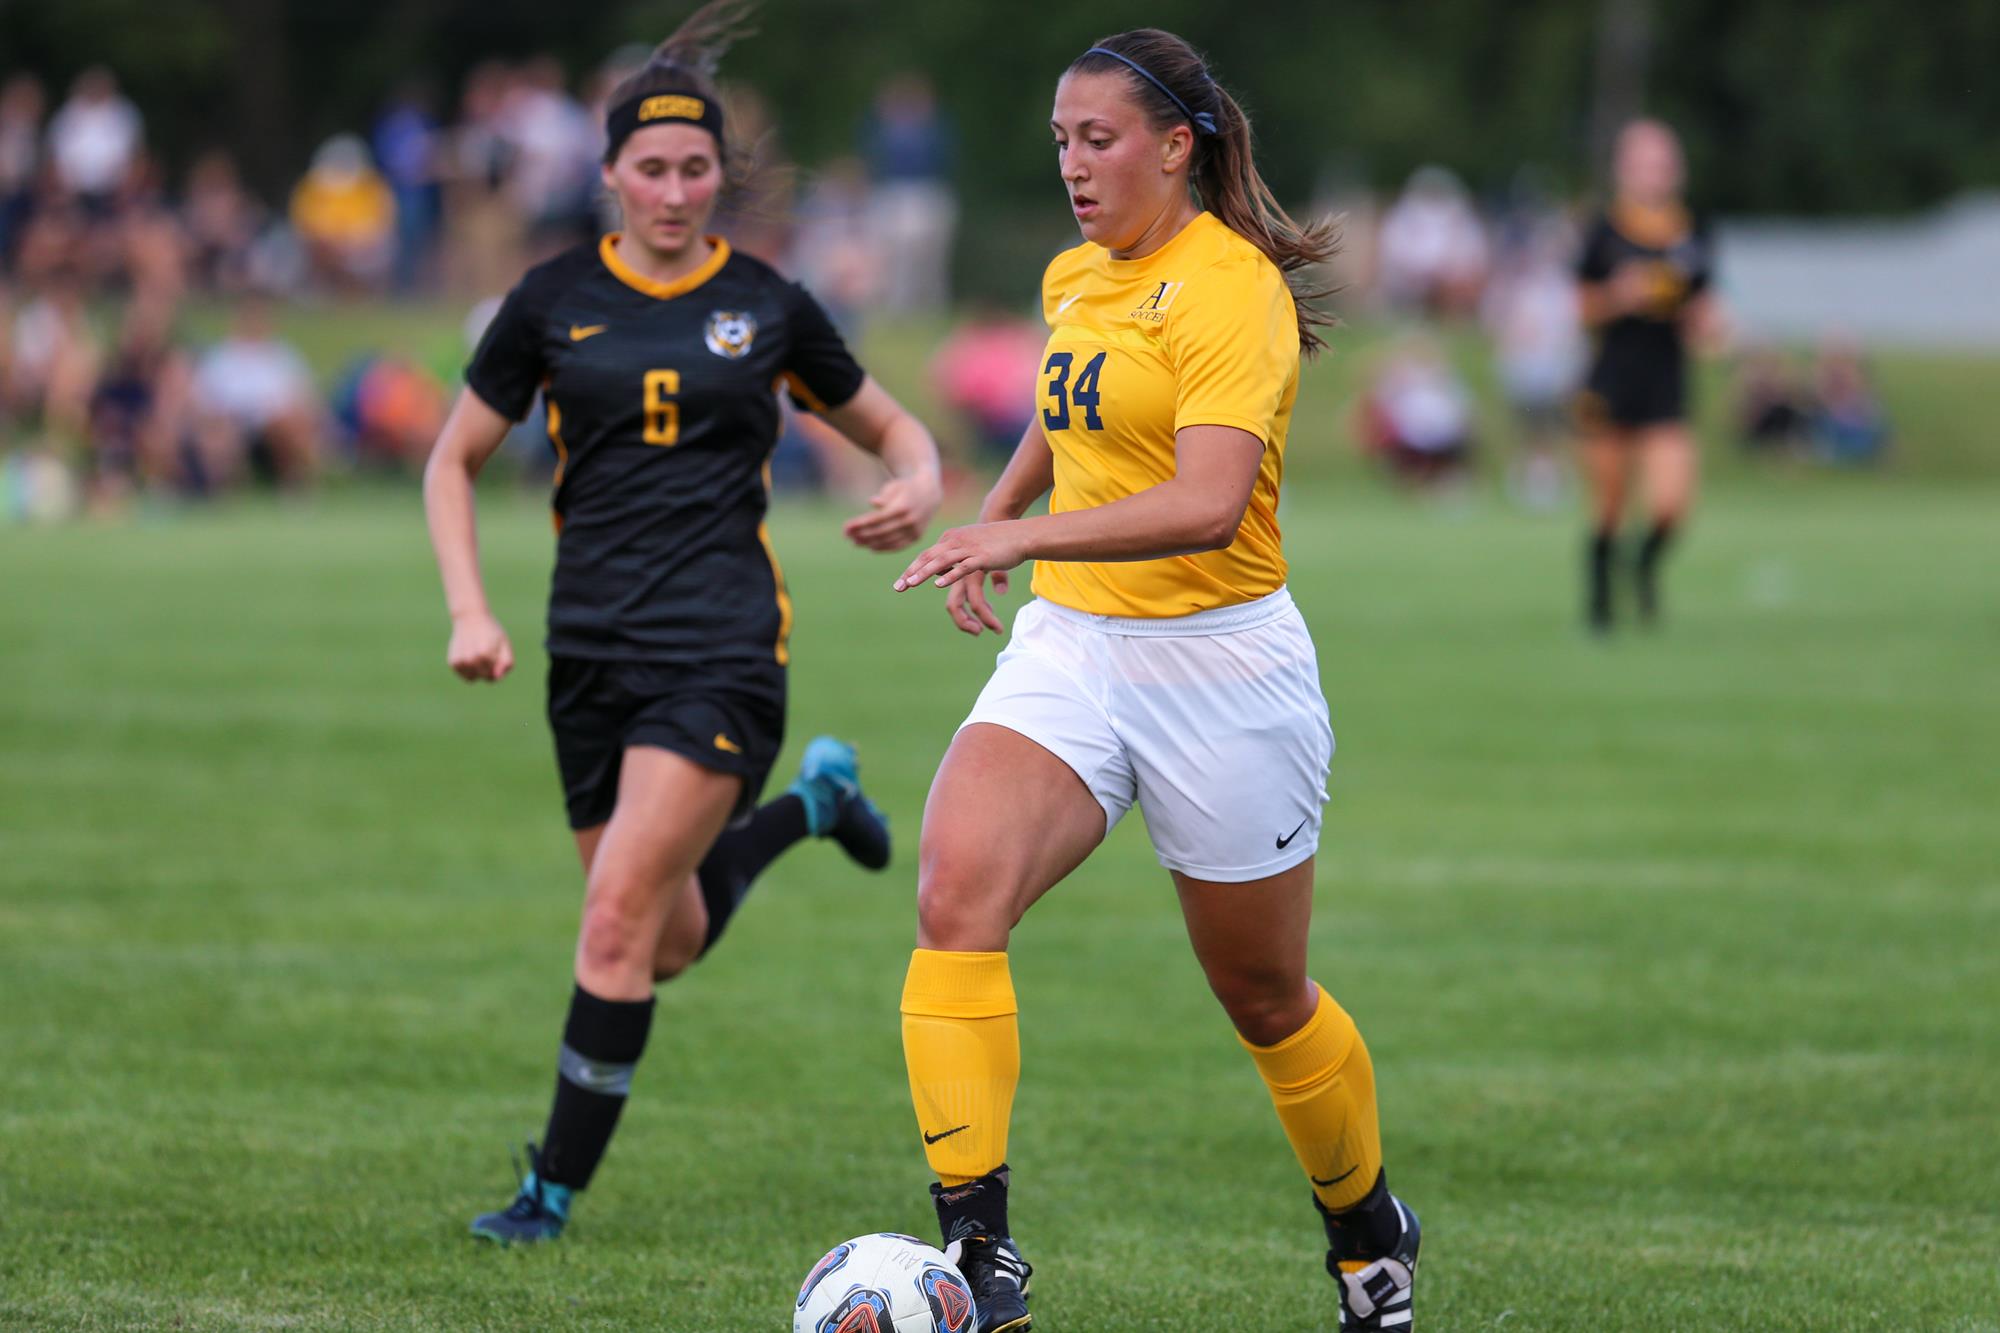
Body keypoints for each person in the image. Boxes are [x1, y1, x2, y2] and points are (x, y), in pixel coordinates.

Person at [887, 29, 1420, 1332]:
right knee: (955, 889)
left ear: (1177, 147)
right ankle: (978, 1259)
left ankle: (1367, 1230)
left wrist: (1019, 538)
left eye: (1099, 139)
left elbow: (1206, 500)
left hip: (1222, 667)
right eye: (1060, 141)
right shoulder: (1077, 273)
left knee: (1262, 994)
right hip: (1075, 646)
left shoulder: (1232, 288)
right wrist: (997, 512)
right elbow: (1064, 409)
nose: (1073, 165)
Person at [421, 0, 945, 1246]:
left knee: (611, 921)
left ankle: (547, 1194)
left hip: (720, 651)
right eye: (649, 168)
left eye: (694, 168)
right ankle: (813, 806)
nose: (672, 191)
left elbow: (895, 427)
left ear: (721, 175)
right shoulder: (550, 300)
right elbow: (450, 462)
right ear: (608, 174)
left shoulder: (765, 303)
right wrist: (468, 609)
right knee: (661, 940)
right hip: (585, 654)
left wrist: (919, 480)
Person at [1574, 119, 1723, 631]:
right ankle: (1599, 606)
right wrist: (1619, 296)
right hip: (1611, 380)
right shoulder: (1603, 230)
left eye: (1662, 164)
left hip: (1666, 382)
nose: (1653, 174)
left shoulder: (1694, 232)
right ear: (1623, 169)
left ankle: (1644, 566)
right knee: (1609, 507)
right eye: (1643, 164)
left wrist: (1712, 327)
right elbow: (1577, 307)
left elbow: (1704, 305)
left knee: (1669, 506)